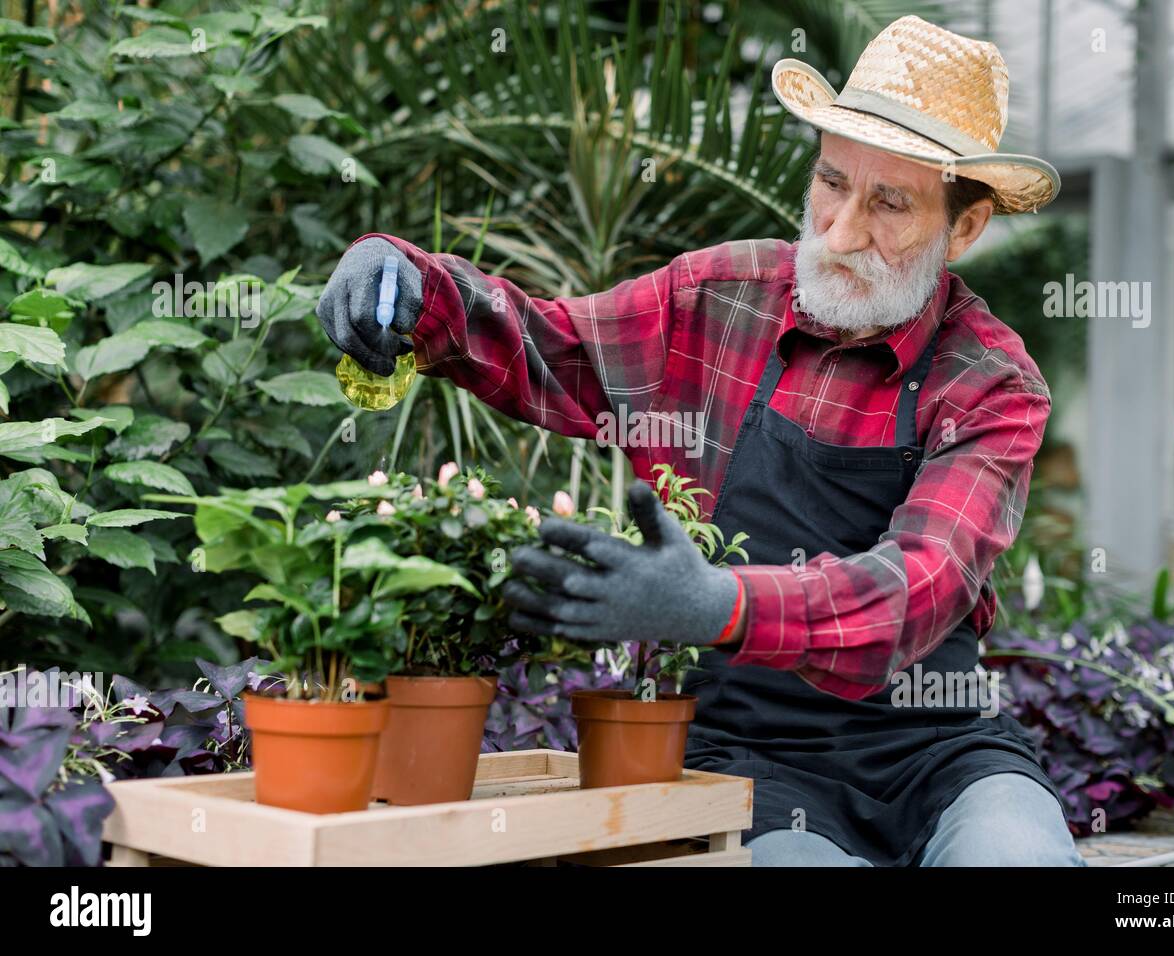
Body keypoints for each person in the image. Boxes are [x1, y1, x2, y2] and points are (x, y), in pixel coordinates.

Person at [316, 14, 1086, 867]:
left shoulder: (989, 381)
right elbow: (550, 346)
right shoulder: (723, 298)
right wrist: (406, 281)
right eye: (833, 182)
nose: (839, 230)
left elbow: (921, 586)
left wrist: (717, 604)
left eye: (890, 204)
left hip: (943, 753)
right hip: (752, 763)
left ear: (966, 226)